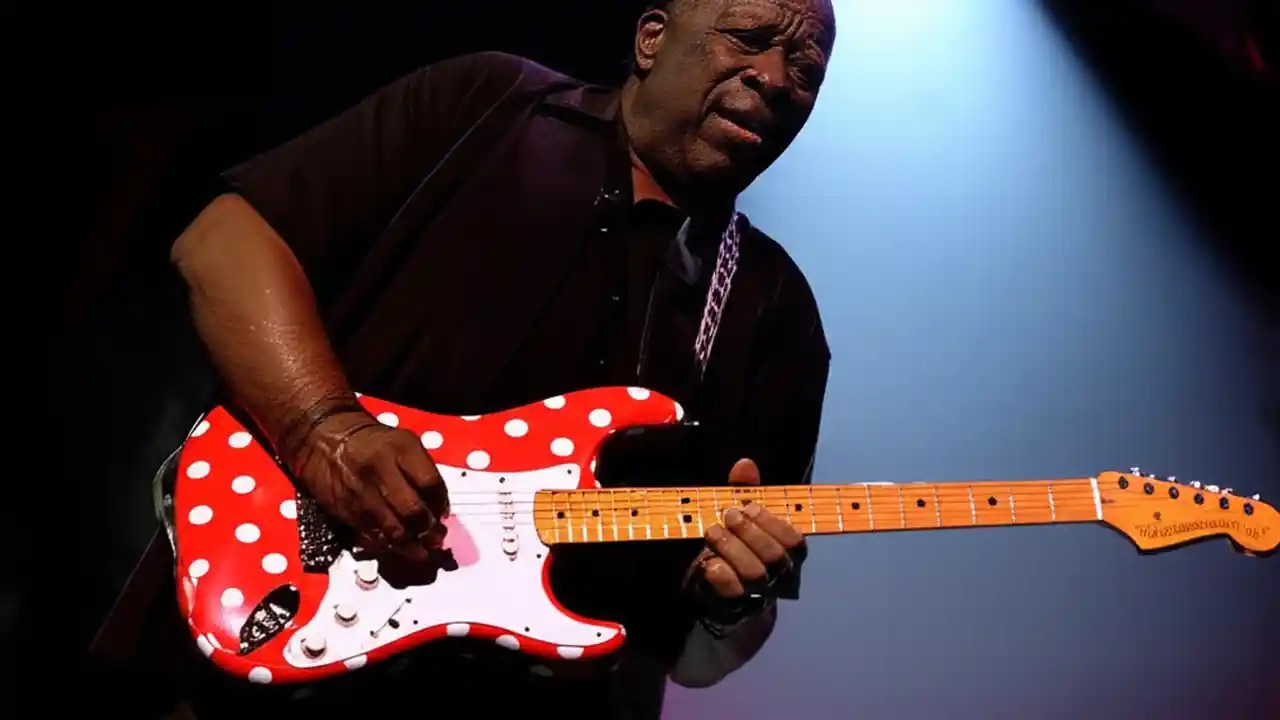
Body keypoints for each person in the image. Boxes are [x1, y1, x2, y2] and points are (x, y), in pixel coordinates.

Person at [161, 0, 836, 716]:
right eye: (749, 39)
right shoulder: (490, 106)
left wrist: (729, 604)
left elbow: (700, 660)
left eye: (805, 68)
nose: (771, 78)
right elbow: (220, 243)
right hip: (276, 655)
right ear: (651, 39)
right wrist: (323, 427)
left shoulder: (777, 312)